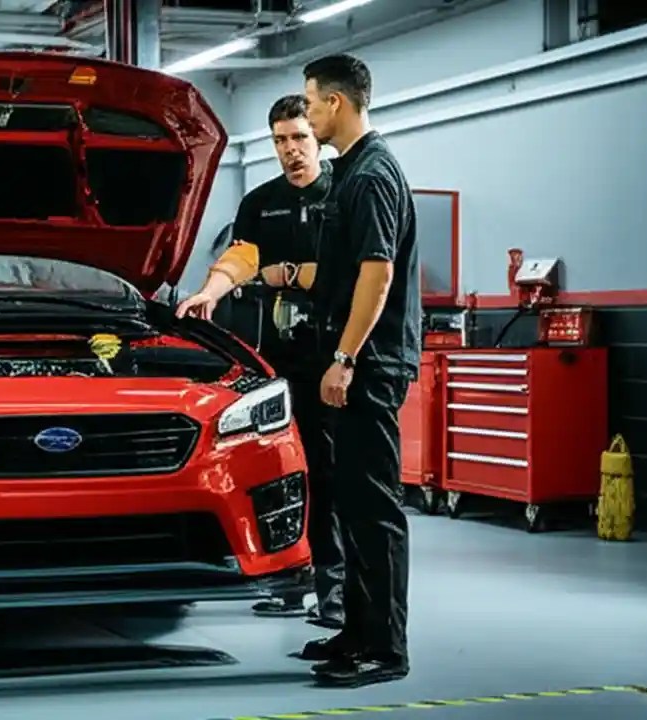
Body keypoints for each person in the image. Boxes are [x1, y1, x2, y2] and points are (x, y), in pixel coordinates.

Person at [175, 94, 345, 631]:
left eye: (299, 137)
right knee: (278, 469)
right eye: (280, 140)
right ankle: (290, 580)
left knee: (331, 475)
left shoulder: (343, 192)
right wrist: (211, 291)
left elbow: (349, 271)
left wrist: (287, 275)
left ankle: (336, 589)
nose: (290, 149)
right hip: (279, 362)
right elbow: (243, 257)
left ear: (316, 136)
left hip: (336, 359)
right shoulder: (261, 201)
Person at [292, 53, 420, 689]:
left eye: (311, 103)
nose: (307, 113)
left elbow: (378, 273)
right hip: (351, 362)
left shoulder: (372, 176)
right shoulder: (350, 173)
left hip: (369, 365)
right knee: (351, 503)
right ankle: (358, 631)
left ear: (336, 103)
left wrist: (344, 359)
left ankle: (387, 648)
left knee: (376, 508)